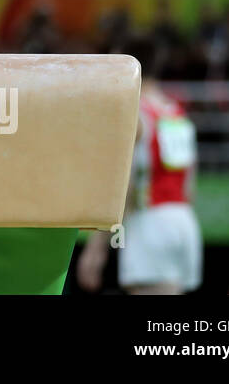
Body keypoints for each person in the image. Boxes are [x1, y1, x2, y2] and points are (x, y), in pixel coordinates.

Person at [77, 40, 202, 294]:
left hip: (151, 223)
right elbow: (191, 185)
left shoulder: (136, 115)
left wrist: (97, 247)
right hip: (184, 222)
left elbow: (126, 185)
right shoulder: (178, 114)